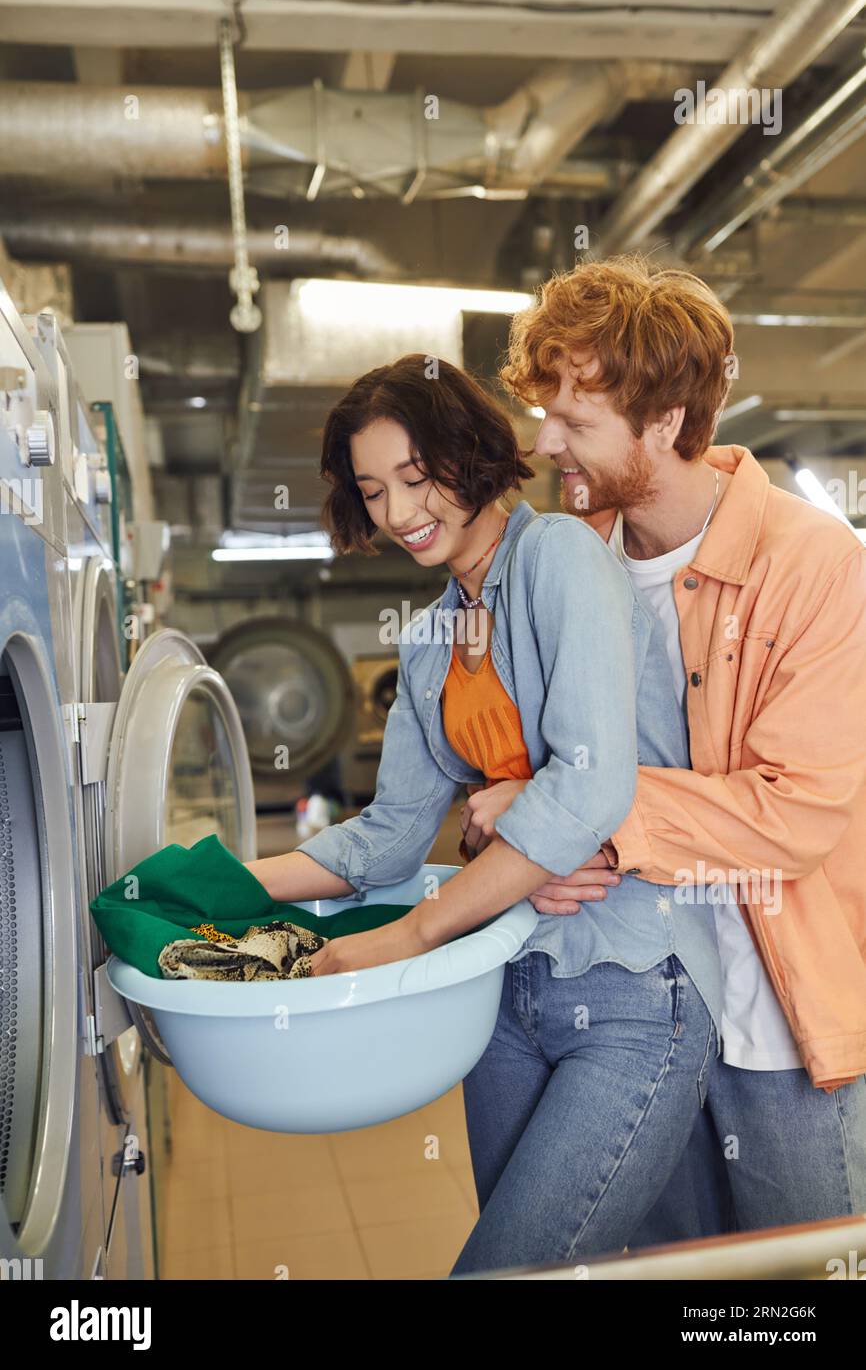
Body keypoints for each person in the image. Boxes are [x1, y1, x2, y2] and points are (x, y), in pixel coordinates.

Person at [242, 353, 724, 1271]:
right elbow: (386, 838)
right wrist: (218, 885)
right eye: (373, 490)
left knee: (506, 1270)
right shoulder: (429, 641)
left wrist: (414, 936)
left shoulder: (560, 558)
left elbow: (587, 788)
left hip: (631, 980)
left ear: (468, 454)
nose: (397, 513)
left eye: (416, 479)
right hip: (504, 991)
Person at [462, 254, 866, 1242]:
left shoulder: (811, 563)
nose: (542, 440)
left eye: (574, 421)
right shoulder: (558, 563)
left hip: (773, 1023)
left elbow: (793, 812)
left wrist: (575, 825)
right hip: (621, 1009)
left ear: (665, 424)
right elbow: (501, 777)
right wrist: (505, 836)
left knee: (788, 1291)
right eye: (542, 409)